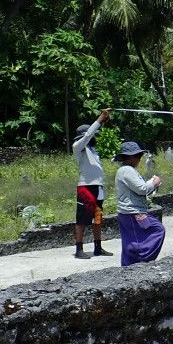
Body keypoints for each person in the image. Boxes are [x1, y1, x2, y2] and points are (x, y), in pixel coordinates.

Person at [113, 142, 166, 267]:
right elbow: (141, 189)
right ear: (130, 158)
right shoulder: (127, 170)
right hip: (133, 212)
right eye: (137, 156)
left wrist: (150, 183)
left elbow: (138, 187)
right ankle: (142, 261)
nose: (139, 159)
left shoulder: (125, 170)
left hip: (128, 213)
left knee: (130, 240)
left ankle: (128, 266)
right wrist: (154, 183)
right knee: (157, 230)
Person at [72, 109, 113, 259]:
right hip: (86, 187)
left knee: (97, 217)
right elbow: (88, 135)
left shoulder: (93, 150)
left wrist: (104, 122)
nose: (92, 137)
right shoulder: (78, 147)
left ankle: (98, 247)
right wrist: (99, 119)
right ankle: (79, 249)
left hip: (98, 186)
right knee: (82, 218)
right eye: (90, 135)